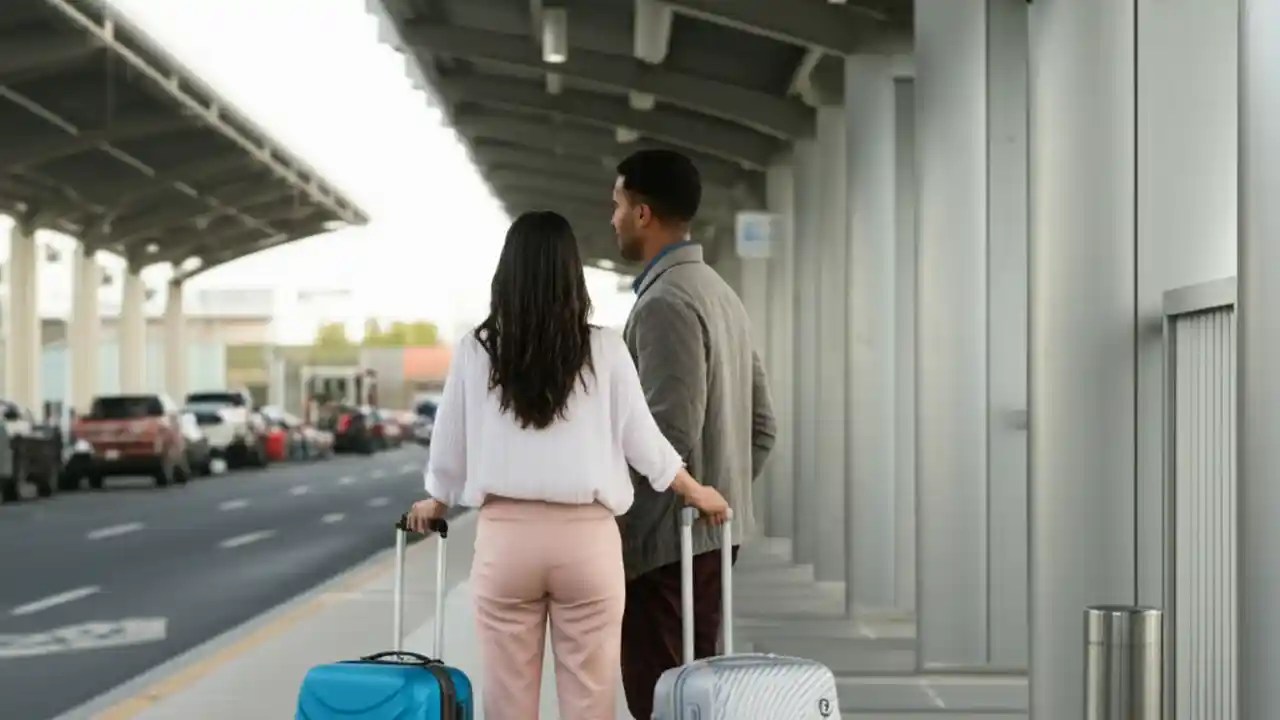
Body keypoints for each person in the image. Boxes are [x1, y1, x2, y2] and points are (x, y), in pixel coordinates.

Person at [403, 210, 730, 720]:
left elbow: (449, 449)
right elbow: (643, 442)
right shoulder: (603, 347)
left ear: (505, 274)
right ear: (571, 274)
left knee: (507, 700)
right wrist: (693, 490)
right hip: (587, 543)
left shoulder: (477, 349)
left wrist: (436, 500)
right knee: (590, 698)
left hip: (506, 541)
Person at [611, 148, 777, 718]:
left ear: (642, 212)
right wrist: (719, 498)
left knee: (660, 701)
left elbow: (666, 432)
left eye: (617, 203)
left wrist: (617, 514)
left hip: (666, 548)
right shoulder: (720, 294)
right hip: (700, 540)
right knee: (695, 700)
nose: (611, 218)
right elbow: (763, 427)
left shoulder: (666, 303)